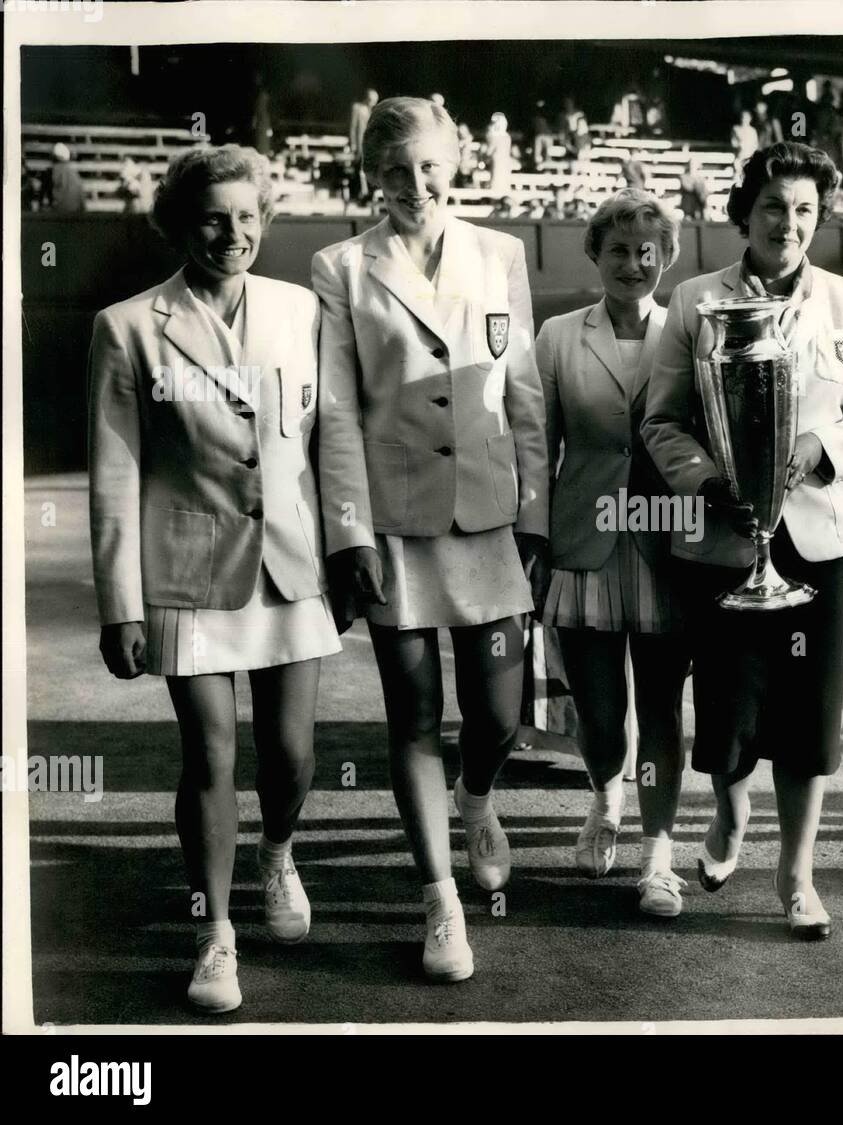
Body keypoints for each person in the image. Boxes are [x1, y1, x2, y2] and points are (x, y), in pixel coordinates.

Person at [88, 145, 341, 1013]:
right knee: (210, 754)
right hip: (184, 568)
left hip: (289, 563)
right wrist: (119, 604)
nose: (234, 234)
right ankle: (215, 932)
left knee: (292, 752)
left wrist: (348, 546)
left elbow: (327, 444)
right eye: (213, 218)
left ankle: (278, 852)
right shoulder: (126, 326)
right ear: (178, 224)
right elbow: (115, 473)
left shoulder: (303, 310)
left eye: (247, 217)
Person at [312, 98, 549, 982]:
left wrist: (537, 517)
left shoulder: (501, 254)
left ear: (456, 167)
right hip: (393, 526)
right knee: (412, 717)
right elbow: (336, 411)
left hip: (490, 521)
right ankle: (441, 900)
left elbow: (524, 394)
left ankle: (477, 797)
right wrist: (349, 533)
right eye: (397, 170)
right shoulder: (339, 265)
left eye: (430, 169)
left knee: (496, 713)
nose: (416, 186)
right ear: (372, 174)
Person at [642, 141, 843, 939]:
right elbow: (662, 421)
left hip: (819, 541)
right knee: (725, 720)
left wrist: (820, 452)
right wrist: (709, 482)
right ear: (742, 214)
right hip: (722, 540)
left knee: (810, 714)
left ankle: (796, 874)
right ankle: (728, 813)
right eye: (773, 208)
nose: (788, 224)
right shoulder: (692, 302)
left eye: (804, 211)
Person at [536, 191, 693, 916]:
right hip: (584, 541)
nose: (634, 263)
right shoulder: (559, 336)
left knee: (661, 707)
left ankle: (658, 856)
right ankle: (606, 795)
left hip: (668, 541)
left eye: (647, 249)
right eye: (619, 250)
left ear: (669, 255)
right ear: (596, 255)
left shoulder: (689, 332)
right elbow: (538, 450)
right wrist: (534, 538)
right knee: (601, 715)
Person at [49, 143, 85, 213]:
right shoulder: (74, 173)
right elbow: (81, 197)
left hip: (60, 212)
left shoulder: (54, 171)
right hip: (75, 211)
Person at [486, 111, 513, 198]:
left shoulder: (496, 136)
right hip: (506, 161)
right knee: (503, 182)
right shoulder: (507, 136)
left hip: (497, 161)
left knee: (496, 181)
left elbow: (489, 151)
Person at [677, 155, 710, 220]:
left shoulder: (701, 178)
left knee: (701, 197)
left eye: (694, 164)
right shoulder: (683, 177)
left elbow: (704, 191)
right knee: (689, 196)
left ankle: (701, 214)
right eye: (691, 164)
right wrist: (696, 185)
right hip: (688, 204)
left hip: (699, 203)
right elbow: (689, 188)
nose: (692, 166)